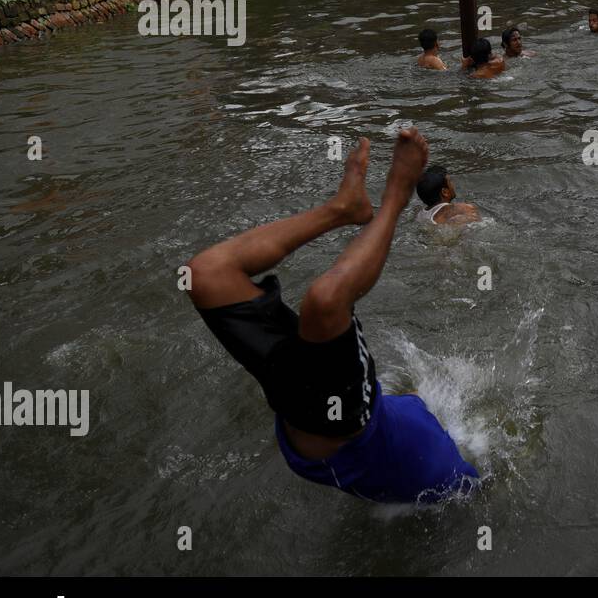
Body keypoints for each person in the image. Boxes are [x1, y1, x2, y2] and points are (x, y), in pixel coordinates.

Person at [186, 130, 479, 504]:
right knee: (325, 301)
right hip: (360, 434)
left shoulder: (414, 437)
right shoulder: (432, 460)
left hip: (330, 428)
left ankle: (344, 209)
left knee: (204, 275)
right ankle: (389, 200)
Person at [415, 166, 481, 225]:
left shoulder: (419, 215)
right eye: (450, 181)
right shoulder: (463, 208)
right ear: (445, 192)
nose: (453, 185)